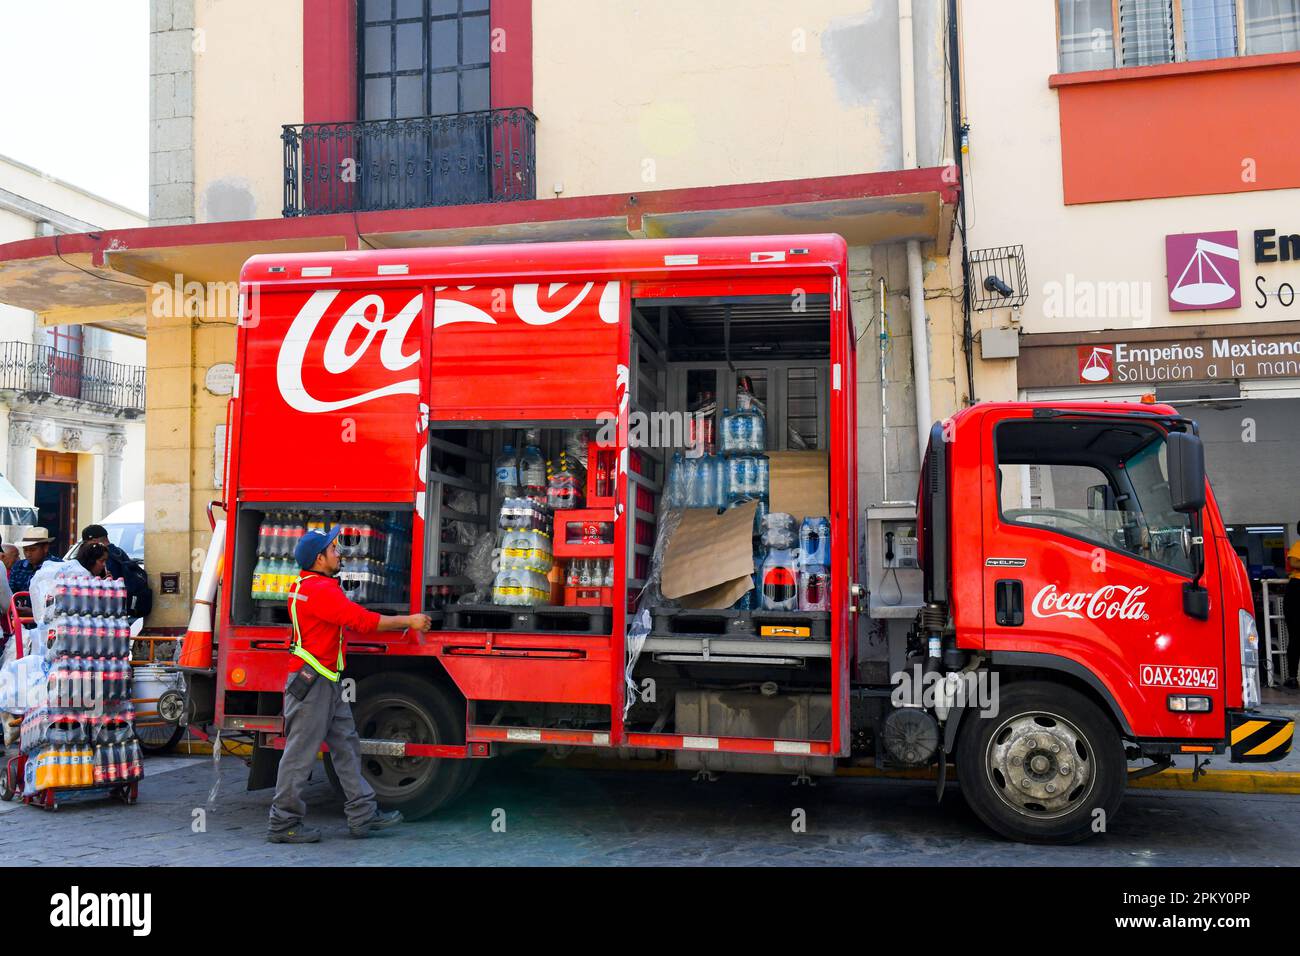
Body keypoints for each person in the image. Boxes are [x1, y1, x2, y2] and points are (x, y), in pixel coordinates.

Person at [268, 526, 432, 844]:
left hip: (325, 680)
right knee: (300, 754)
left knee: (346, 747)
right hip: (313, 683)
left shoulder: (308, 585)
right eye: (333, 549)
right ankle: (283, 823)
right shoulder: (320, 591)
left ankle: (362, 815)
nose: (339, 552)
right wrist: (408, 621)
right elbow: (362, 621)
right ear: (319, 558)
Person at [80, 524, 152, 619]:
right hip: (127, 606)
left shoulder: (103, 555)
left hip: (114, 609)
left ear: (94, 541)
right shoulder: (119, 552)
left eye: (86, 543)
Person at [9, 527, 54, 594]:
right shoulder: (18, 567)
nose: (28, 554)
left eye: (32, 550)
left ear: (45, 548)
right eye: (25, 550)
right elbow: (11, 593)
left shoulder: (57, 566)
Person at [1284, 522, 1300, 690]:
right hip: (1296, 590)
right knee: (1296, 636)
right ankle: (1292, 676)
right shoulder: (1298, 546)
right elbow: (1294, 562)